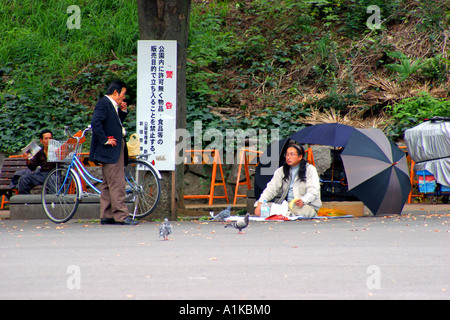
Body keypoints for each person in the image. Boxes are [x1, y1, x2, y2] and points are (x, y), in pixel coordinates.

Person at [89, 80, 137, 226]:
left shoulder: (111, 105)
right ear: (115, 92)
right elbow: (95, 122)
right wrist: (105, 140)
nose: (124, 97)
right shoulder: (104, 104)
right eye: (123, 94)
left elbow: (114, 125)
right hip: (111, 149)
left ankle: (107, 215)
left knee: (107, 183)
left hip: (113, 148)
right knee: (117, 182)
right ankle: (121, 215)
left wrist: (122, 111)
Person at [254, 143, 322, 217]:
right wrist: (260, 203)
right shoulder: (281, 170)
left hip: (304, 205)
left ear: (300, 157)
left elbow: (313, 190)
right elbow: (271, 188)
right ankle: (287, 214)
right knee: (265, 208)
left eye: (292, 154)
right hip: (286, 205)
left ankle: (284, 215)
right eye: (287, 154)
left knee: (306, 211)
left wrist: (303, 200)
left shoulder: (310, 169)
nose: (288, 157)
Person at [14, 129, 56, 194]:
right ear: (41, 141)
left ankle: (52, 202)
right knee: (24, 179)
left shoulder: (56, 150)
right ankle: (25, 201)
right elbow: (32, 167)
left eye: (50, 138)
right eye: (46, 139)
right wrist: (27, 160)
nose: (48, 141)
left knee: (53, 181)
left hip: (53, 174)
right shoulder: (39, 152)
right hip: (42, 175)